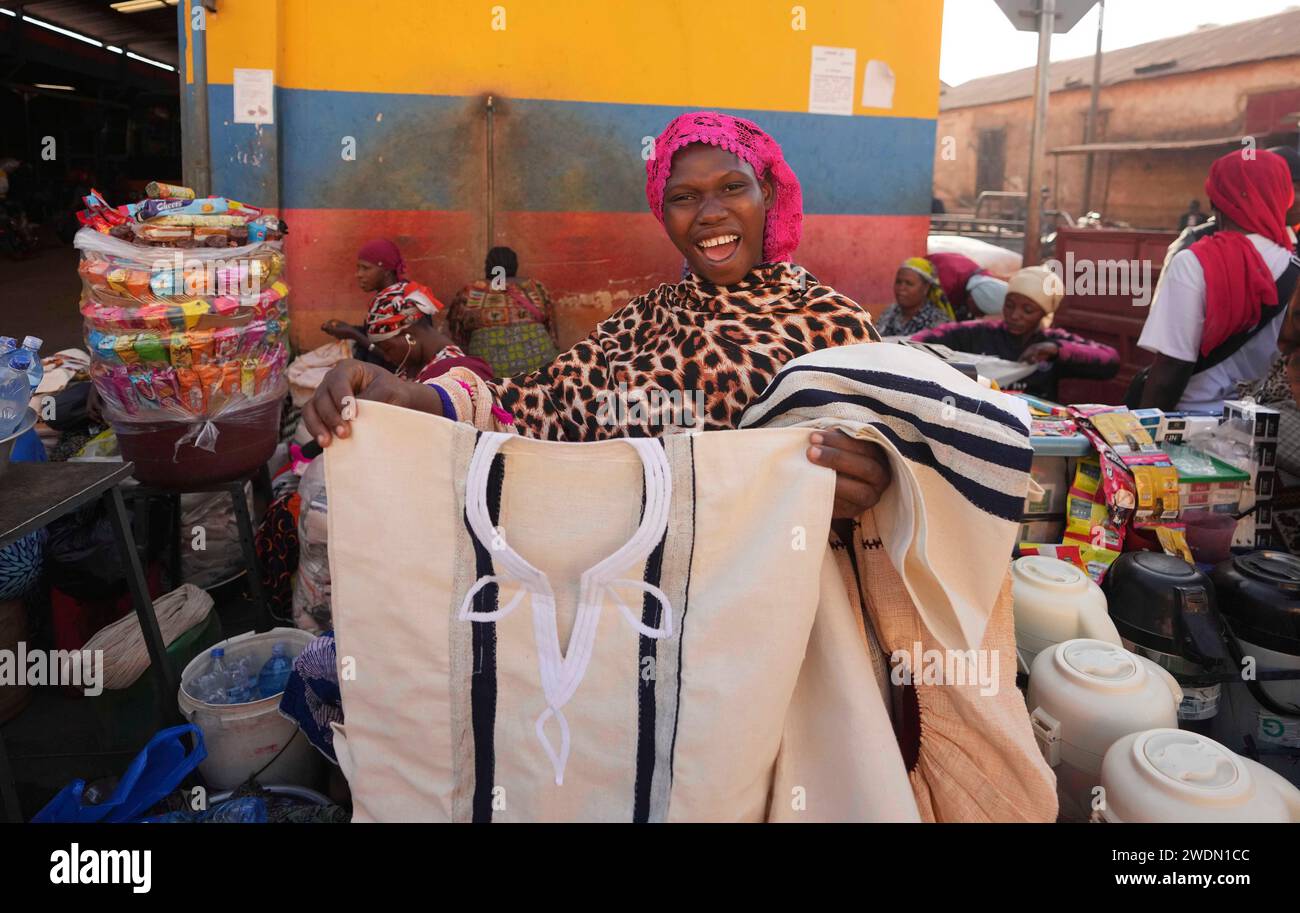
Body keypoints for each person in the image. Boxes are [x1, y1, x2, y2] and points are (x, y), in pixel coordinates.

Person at [296, 110, 1057, 822]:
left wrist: (880, 483)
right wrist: (411, 398)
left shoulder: (832, 325)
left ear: (771, 198)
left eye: (733, 188)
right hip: (650, 620)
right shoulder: (640, 323)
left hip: (788, 631)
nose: (712, 213)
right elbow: (530, 406)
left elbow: (902, 465)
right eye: (686, 197)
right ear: (667, 216)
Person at [1136, 149, 1299, 412]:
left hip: (1189, 427)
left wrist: (1139, 434)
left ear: (1216, 201)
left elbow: (1171, 368)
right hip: (1263, 429)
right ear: (1284, 199)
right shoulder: (1294, 268)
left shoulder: (1193, 262)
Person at [912, 266, 1120, 402]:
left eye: (1028, 310)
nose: (1015, 315)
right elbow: (927, 339)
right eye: (1009, 306)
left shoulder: (1052, 343)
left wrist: (1056, 350)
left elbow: (1109, 360)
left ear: (1044, 313)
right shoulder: (981, 333)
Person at [321, 239, 444, 369]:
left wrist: (354, 334)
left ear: (386, 270)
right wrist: (347, 329)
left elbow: (400, 359)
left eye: (366, 268)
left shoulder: (405, 303)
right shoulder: (387, 297)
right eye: (358, 268)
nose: (359, 275)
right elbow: (381, 334)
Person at [446, 246, 560, 377]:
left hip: (491, 377)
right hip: (540, 370)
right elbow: (551, 330)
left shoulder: (471, 291)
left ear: (488, 266)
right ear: (515, 265)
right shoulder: (534, 287)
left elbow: (457, 334)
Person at [875, 257, 957, 336]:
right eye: (898, 282)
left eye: (909, 283)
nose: (901, 288)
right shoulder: (890, 312)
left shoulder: (937, 321)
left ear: (926, 288)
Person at [928, 251, 1009, 318]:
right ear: (971, 299)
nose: (980, 316)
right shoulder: (945, 281)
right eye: (979, 311)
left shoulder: (985, 280)